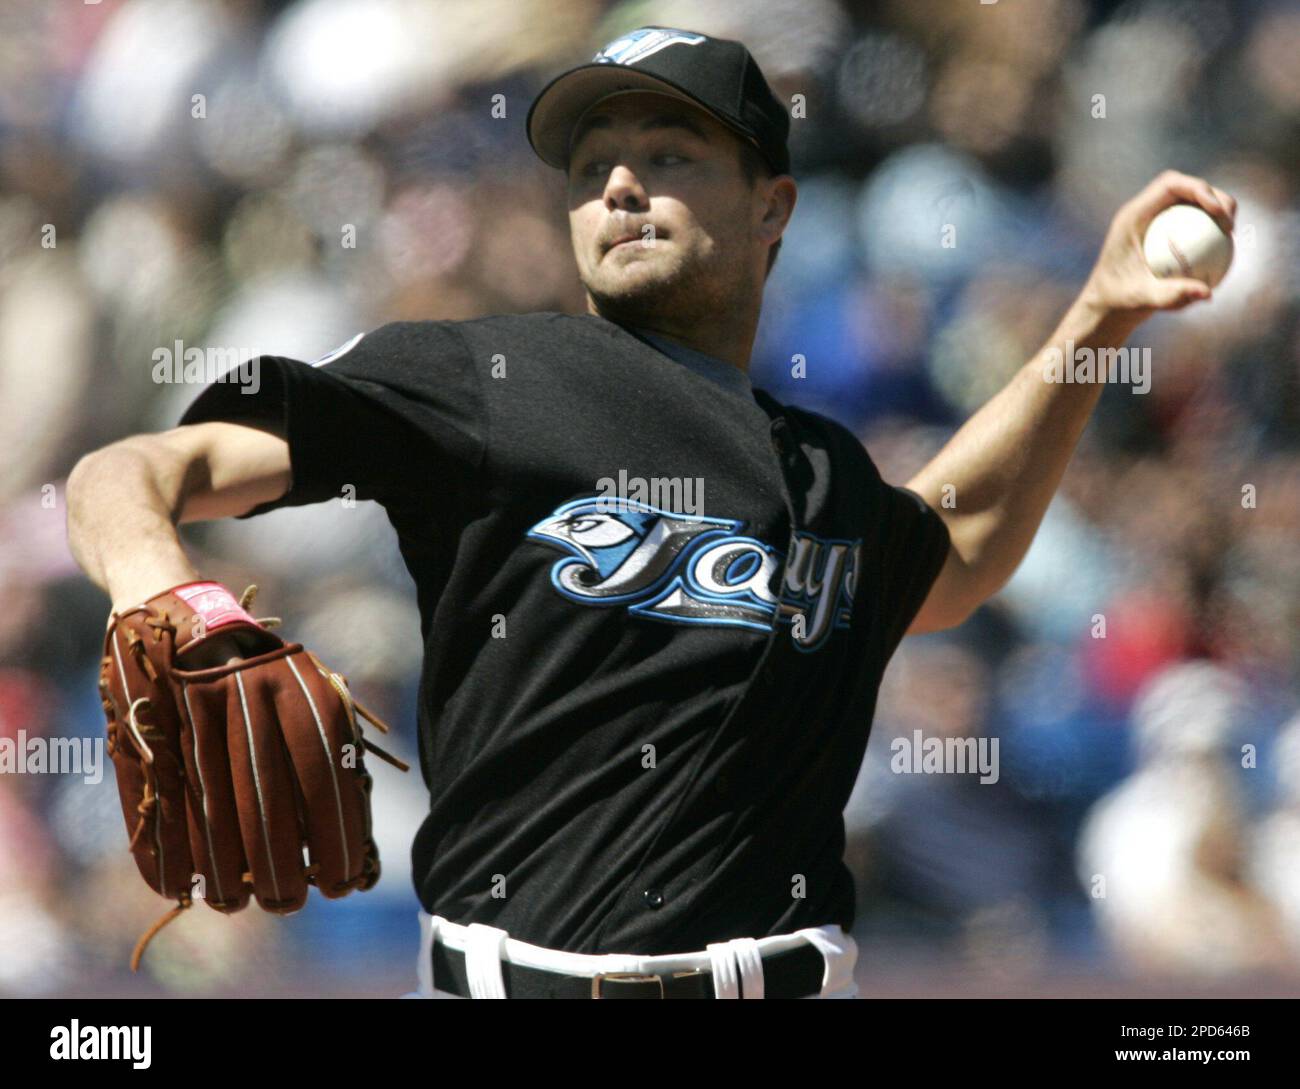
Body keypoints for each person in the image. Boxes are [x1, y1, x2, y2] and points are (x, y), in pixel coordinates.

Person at [65, 25, 1236, 999]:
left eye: (669, 153)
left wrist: (1097, 317)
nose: (618, 185)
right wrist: (166, 590)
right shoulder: (481, 381)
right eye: (589, 169)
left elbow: (952, 555)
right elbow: (130, 472)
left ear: (772, 207)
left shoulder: (822, 474)